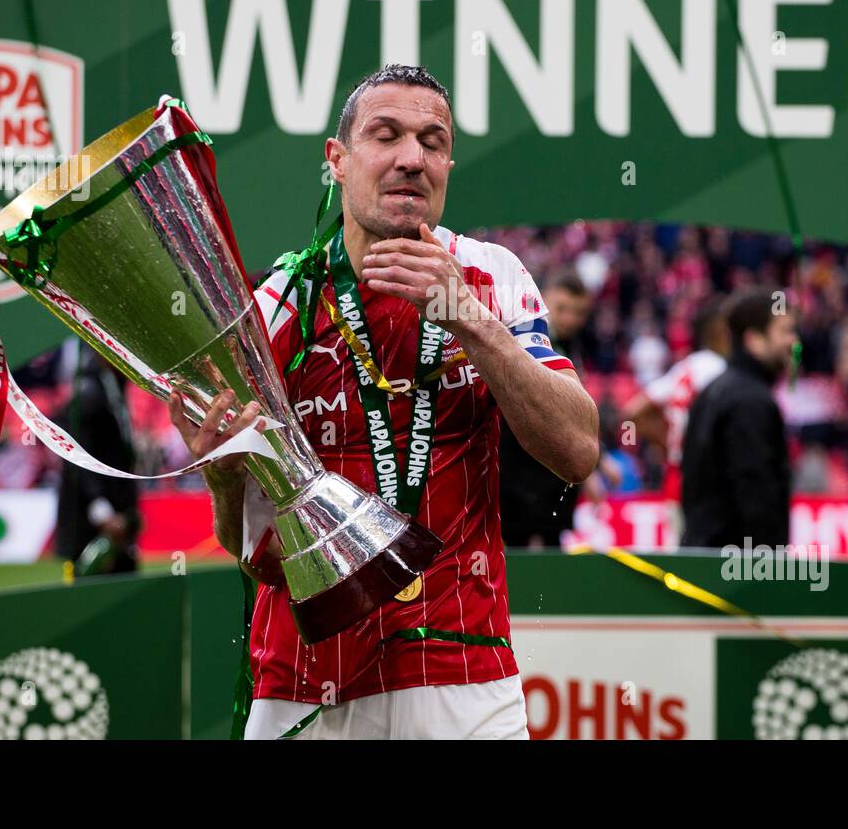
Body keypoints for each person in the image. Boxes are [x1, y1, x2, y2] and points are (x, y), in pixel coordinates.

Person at [167, 64, 599, 739]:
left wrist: (472, 322)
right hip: (310, 681)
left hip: (465, 671)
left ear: (449, 163)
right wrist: (222, 478)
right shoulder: (281, 307)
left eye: (433, 141)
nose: (411, 158)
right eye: (386, 135)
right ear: (336, 160)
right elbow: (249, 544)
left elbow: (577, 451)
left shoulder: (493, 276)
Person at [679, 289, 797, 548]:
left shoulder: (713, 390)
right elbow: (755, 491)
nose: (793, 342)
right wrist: (771, 566)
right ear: (754, 339)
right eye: (785, 331)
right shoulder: (751, 400)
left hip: (704, 556)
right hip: (737, 569)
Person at [499, 269, 592, 548]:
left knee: (548, 547)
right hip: (518, 473)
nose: (570, 319)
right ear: (543, 300)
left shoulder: (572, 345)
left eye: (578, 312)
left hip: (552, 478)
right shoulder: (523, 338)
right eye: (562, 309)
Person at [625, 298, 729, 502]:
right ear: (719, 330)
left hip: (676, 475)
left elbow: (632, 411)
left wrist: (668, 446)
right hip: (707, 478)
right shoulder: (719, 370)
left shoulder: (685, 367)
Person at [54, 340, 141, 574]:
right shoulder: (87, 392)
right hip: (92, 520)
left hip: (119, 511)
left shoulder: (113, 384)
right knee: (89, 590)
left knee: (125, 585)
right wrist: (100, 508)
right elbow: (76, 457)